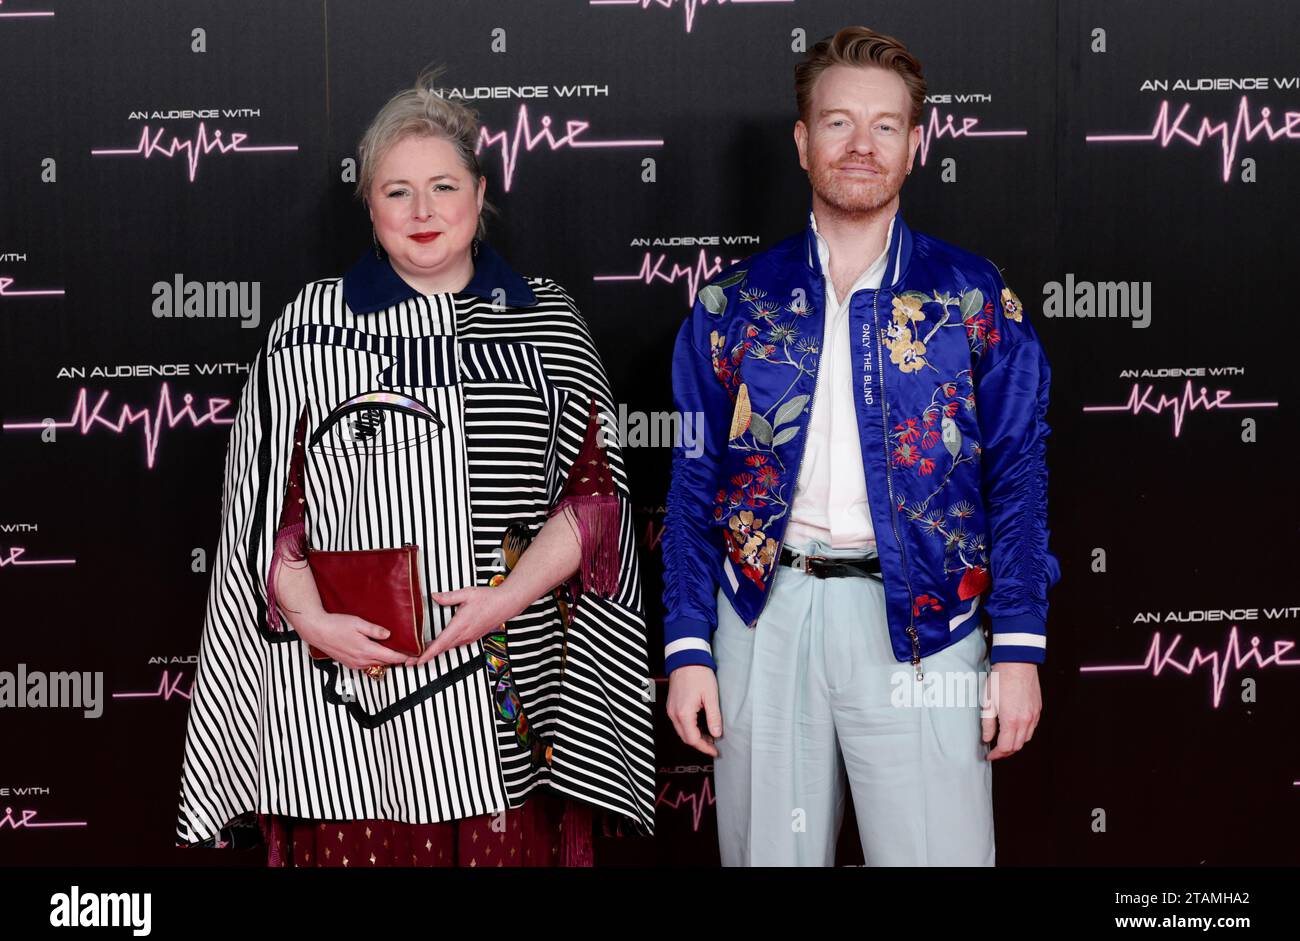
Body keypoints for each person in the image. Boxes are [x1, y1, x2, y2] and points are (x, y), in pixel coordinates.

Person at [174, 65, 655, 866]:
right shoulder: (309, 325)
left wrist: (505, 600)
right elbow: (265, 511)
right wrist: (307, 617)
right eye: (397, 191)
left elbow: (596, 502)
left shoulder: (545, 317)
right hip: (340, 699)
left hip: (509, 688)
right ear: (369, 204)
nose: (423, 212)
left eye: (442, 185)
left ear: (479, 190)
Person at [661, 26, 1061, 866]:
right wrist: (689, 645)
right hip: (763, 616)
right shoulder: (732, 303)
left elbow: (1017, 474)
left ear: (916, 145)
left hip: (928, 620)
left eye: (885, 126)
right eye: (838, 123)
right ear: (804, 142)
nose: (861, 146)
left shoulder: (972, 296)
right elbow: (695, 482)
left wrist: (1018, 645)